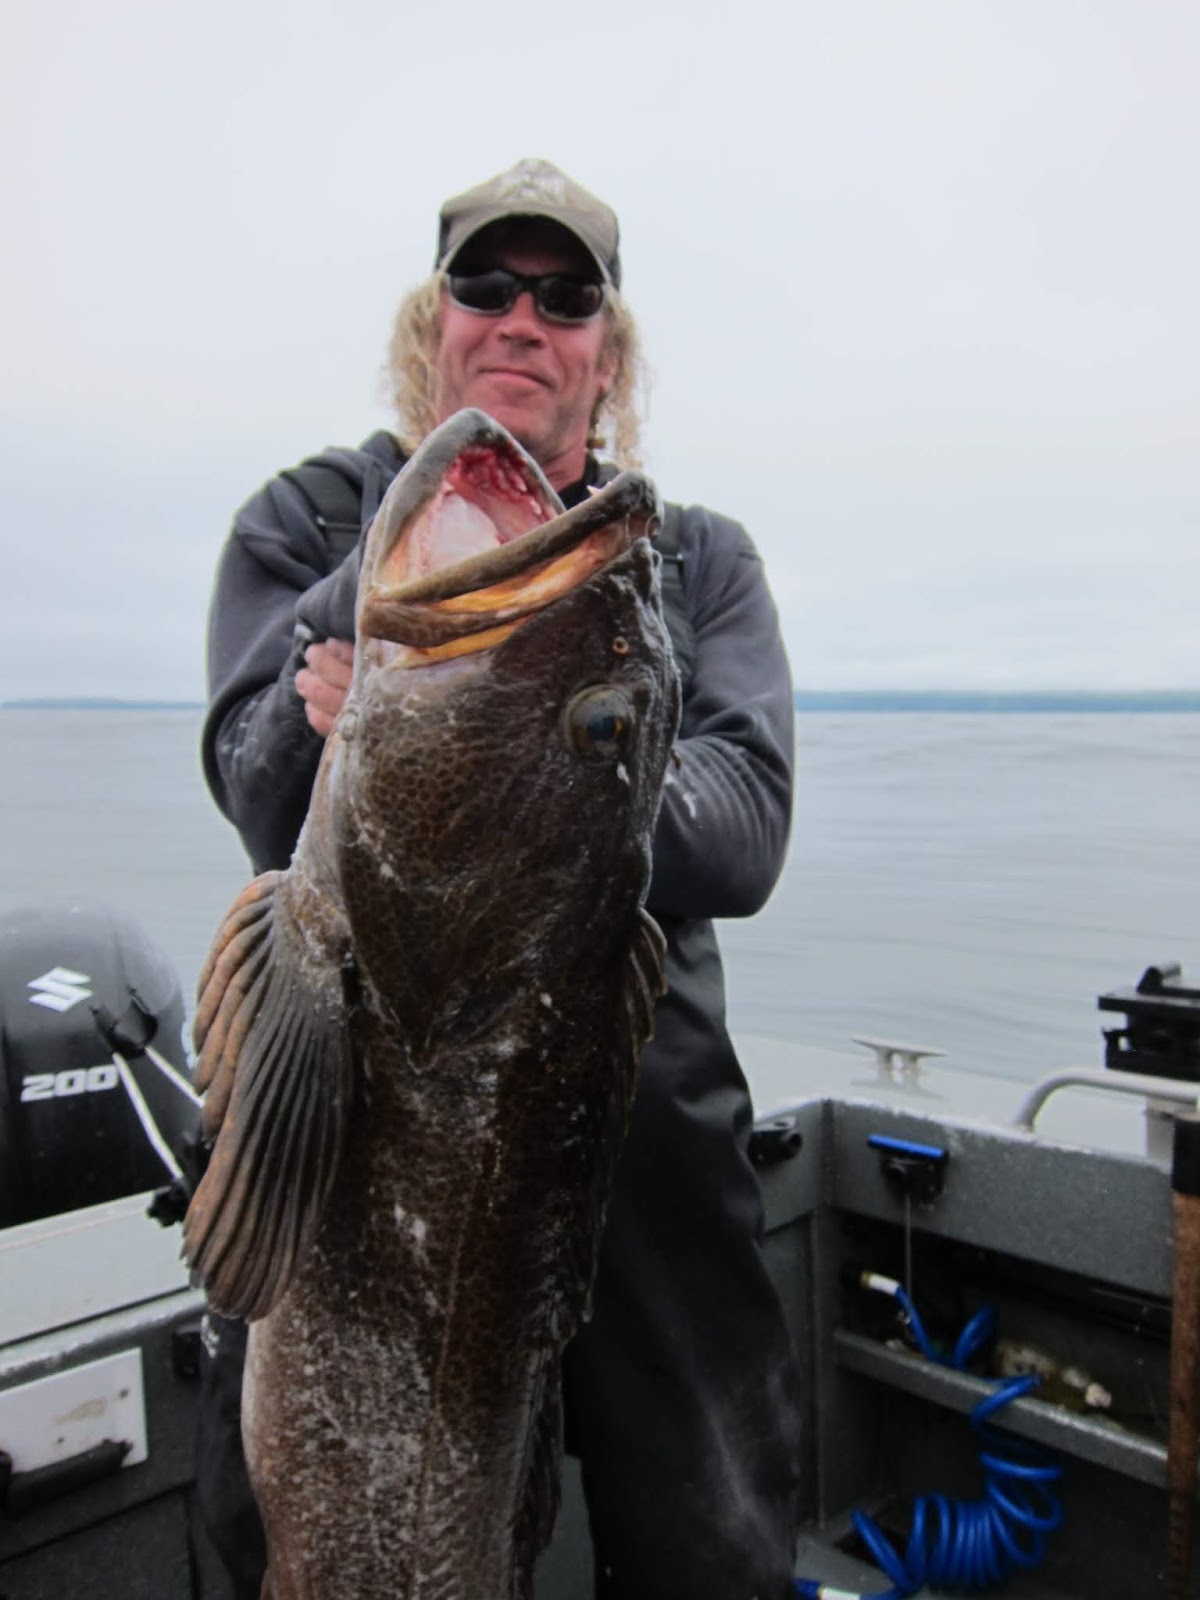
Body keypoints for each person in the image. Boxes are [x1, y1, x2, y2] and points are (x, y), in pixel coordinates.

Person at [199, 157, 802, 1600]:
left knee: (707, 1536)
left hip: (642, 1129)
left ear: (610, 350)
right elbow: (252, 782)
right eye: (486, 286)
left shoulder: (691, 558)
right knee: (274, 1526)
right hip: (350, 1115)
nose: (521, 319)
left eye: (565, 295)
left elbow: (745, 827)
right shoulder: (311, 523)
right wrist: (364, 650)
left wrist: (523, 729)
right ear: (435, 324)